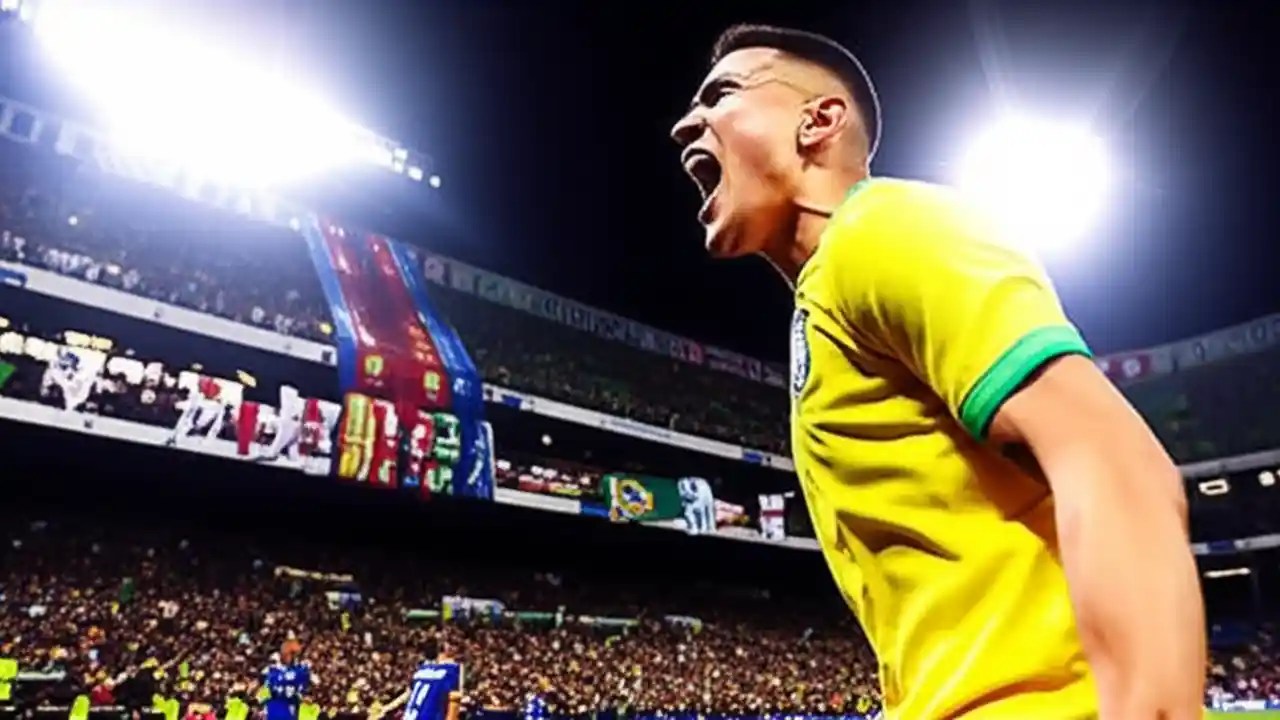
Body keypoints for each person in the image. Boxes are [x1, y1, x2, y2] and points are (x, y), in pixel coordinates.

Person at [670, 23, 1205, 720]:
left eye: (722, 94)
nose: (687, 124)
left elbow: (1112, 461)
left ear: (818, 121)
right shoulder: (830, 292)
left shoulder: (883, 230)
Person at [377, 639, 462, 720]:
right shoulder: (452, 670)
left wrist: (387, 708)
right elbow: (454, 705)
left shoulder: (421, 670)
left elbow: (407, 694)